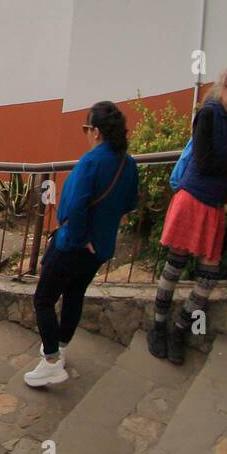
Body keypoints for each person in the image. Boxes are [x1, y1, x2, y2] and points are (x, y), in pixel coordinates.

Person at [26, 101, 139, 387]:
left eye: (86, 129)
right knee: (75, 294)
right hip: (99, 248)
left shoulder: (90, 162)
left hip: (72, 245)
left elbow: (73, 207)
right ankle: (60, 345)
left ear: (97, 132)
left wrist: (79, 238)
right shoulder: (128, 163)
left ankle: (51, 360)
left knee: (43, 299)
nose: (86, 134)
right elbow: (130, 202)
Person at [149, 66, 227, 364]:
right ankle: (157, 326)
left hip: (215, 206)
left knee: (208, 278)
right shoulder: (208, 115)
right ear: (221, 87)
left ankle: (180, 329)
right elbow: (205, 163)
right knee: (175, 266)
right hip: (193, 198)